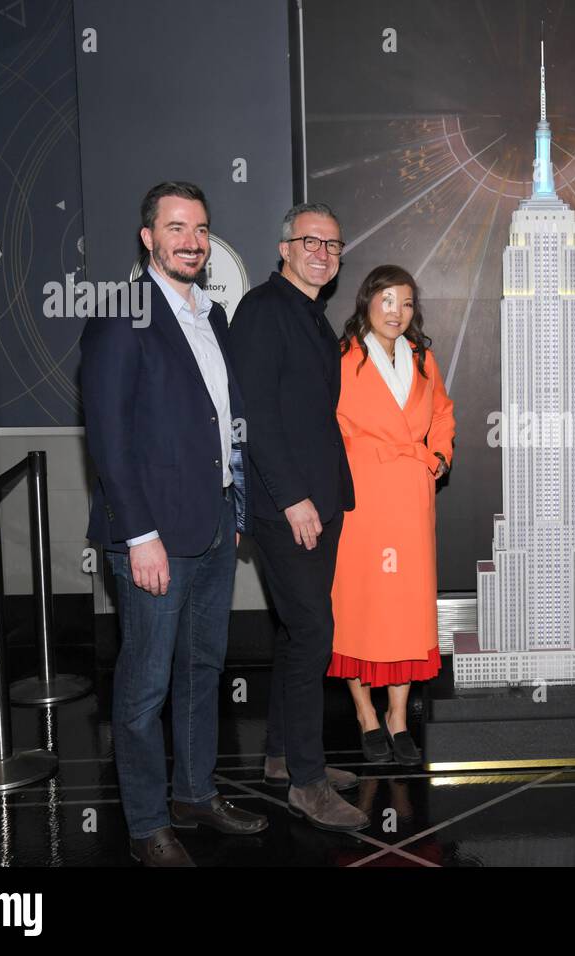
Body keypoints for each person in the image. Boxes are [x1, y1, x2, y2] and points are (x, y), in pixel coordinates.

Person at [82, 181, 266, 867]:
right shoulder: (120, 315)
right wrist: (138, 537)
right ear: (148, 237)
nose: (191, 241)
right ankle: (146, 823)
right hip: (153, 536)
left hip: (215, 523)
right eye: (176, 228)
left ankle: (193, 794)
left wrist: (235, 506)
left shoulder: (212, 316)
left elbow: (224, 423)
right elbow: (107, 438)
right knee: (145, 683)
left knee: (203, 668)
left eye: (200, 230)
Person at [229, 201, 367, 831]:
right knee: (314, 633)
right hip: (288, 508)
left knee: (294, 633)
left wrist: (327, 493)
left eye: (333, 245)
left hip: (319, 502)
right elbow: (254, 414)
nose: (322, 252)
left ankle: (283, 757)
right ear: (284, 248)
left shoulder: (311, 315)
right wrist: (290, 498)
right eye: (310, 241)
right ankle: (308, 785)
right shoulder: (262, 311)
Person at [327, 265, 455, 766]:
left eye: (405, 303)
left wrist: (440, 455)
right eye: (386, 300)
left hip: (410, 493)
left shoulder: (422, 357)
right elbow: (325, 424)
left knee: (405, 605)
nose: (396, 312)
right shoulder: (340, 358)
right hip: (361, 495)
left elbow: (443, 411)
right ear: (366, 302)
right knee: (361, 603)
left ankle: (400, 717)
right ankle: (365, 714)